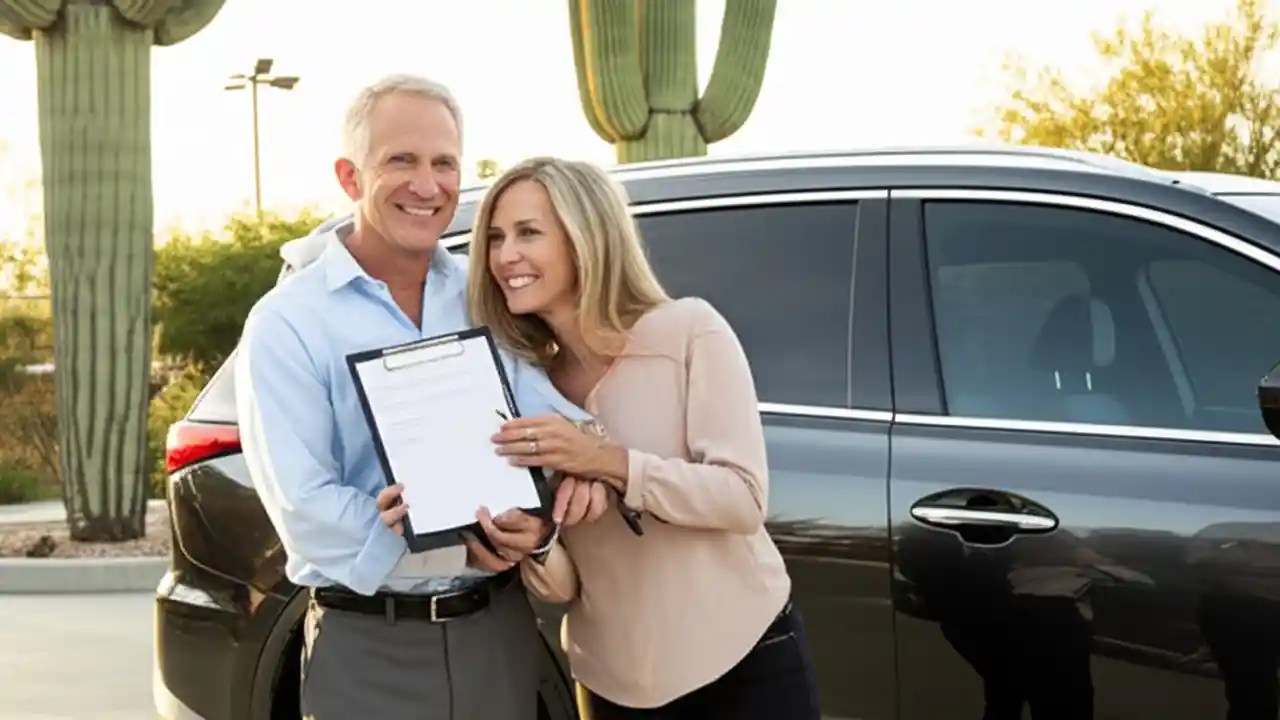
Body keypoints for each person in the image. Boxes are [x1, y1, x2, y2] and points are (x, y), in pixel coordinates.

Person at [235, 76, 606, 720]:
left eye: (444, 164)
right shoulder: (288, 322)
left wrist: (577, 471)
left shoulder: (483, 298)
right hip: (369, 647)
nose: (428, 186)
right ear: (350, 177)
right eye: (401, 161)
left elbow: (546, 416)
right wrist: (458, 541)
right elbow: (306, 509)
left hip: (498, 634)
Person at [466, 156, 822, 719]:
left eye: (528, 232)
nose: (505, 256)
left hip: (744, 664)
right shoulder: (526, 389)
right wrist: (536, 542)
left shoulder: (688, 331)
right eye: (495, 237)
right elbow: (566, 589)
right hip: (610, 688)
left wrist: (607, 462)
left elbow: (743, 499)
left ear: (587, 237)